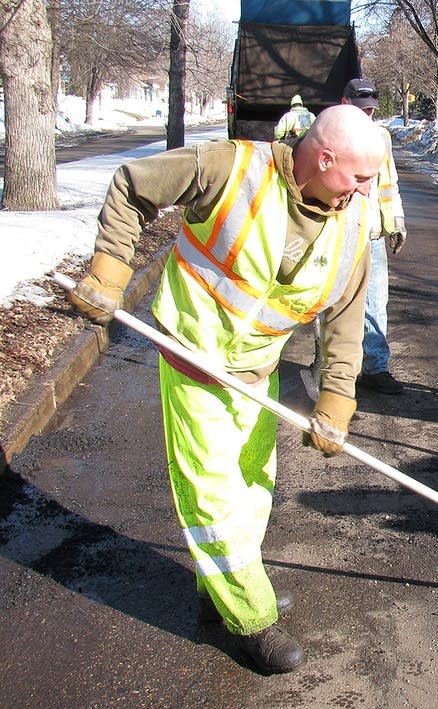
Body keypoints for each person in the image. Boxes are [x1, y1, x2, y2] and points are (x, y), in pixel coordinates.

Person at [67, 105, 386, 674]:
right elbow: (132, 184)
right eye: (360, 177)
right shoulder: (229, 170)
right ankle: (251, 617)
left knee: (252, 487)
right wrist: (111, 269)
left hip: (257, 375)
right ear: (324, 158)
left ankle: (223, 585)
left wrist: (337, 397)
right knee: (212, 496)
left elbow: (343, 319)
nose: (367, 191)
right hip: (195, 361)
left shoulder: (354, 223)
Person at [339, 78, 407, 395]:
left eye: (370, 111)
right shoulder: (331, 134)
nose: (367, 116)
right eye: (361, 110)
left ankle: (376, 368)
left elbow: (388, 183)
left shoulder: (381, 137)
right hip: (338, 235)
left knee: (376, 302)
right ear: (345, 104)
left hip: (373, 236)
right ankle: (334, 372)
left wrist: (397, 222)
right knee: (335, 303)